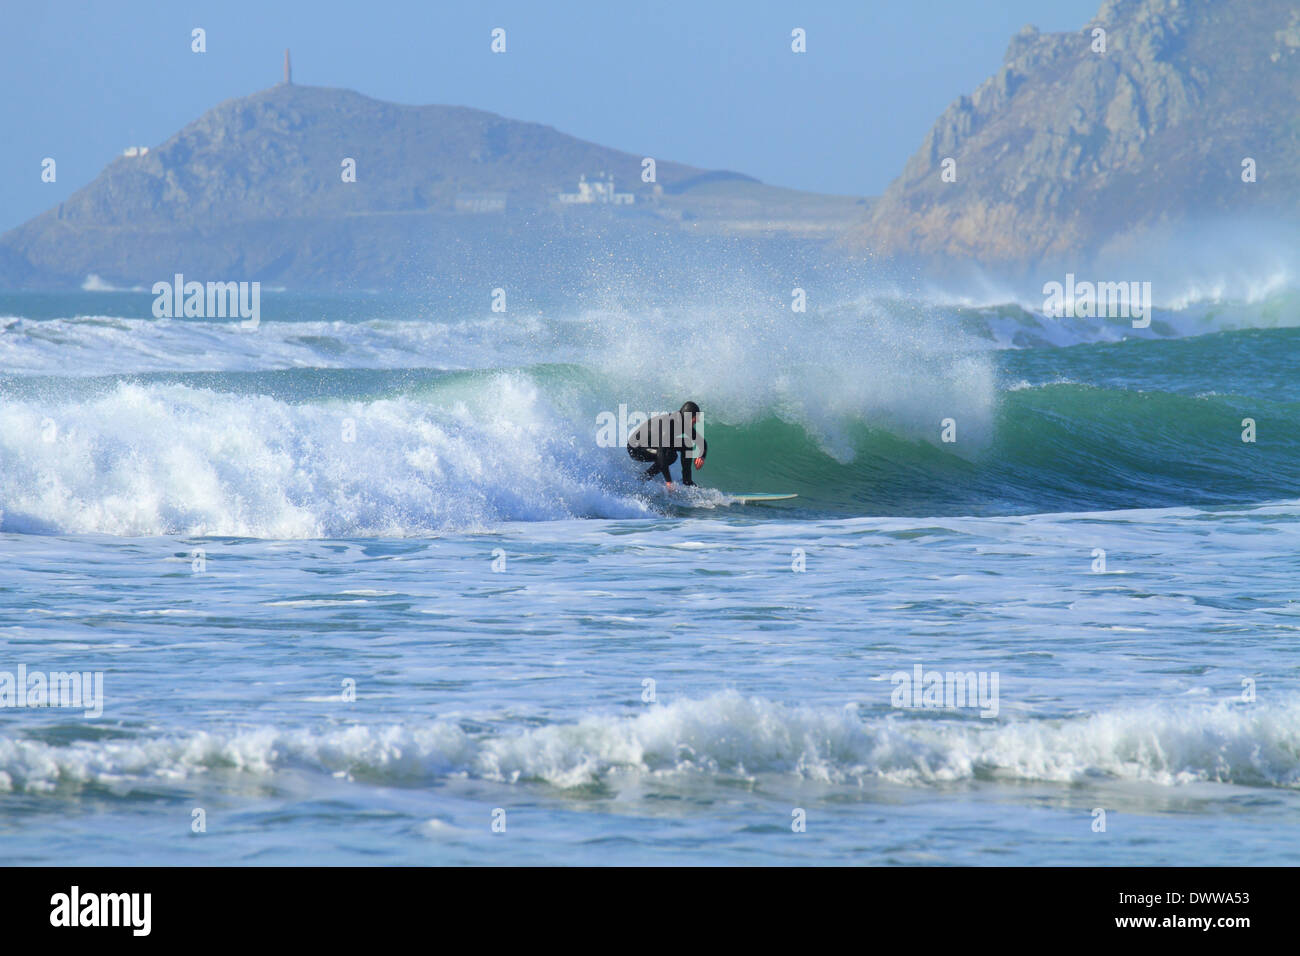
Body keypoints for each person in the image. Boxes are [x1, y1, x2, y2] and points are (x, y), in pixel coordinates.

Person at [626, 401, 706, 489]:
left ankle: (687, 481)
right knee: (670, 456)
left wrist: (701, 456)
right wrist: (669, 481)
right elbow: (661, 454)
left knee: (687, 444)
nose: (695, 423)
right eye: (694, 420)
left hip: (652, 444)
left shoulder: (682, 421)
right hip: (636, 449)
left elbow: (701, 442)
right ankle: (644, 478)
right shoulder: (670, 424)